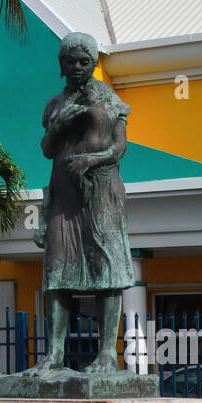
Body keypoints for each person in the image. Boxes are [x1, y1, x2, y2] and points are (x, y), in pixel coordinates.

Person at [35, 32, 134, 374]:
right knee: (57, 273)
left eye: (84, 61)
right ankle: (55, 355)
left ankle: (107, 354)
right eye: (70, 61)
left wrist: (92, 161)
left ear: (93, 64)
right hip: (63, 196)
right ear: (60, 64)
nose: (77, 67)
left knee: (107, 269)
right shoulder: (54, 105)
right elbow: (47, 149)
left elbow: (120, 147)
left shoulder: (111, 100)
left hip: (101, 190)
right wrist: (60, 125)